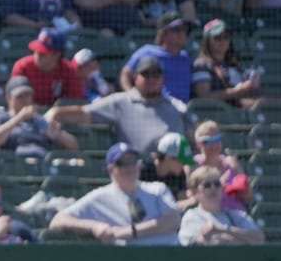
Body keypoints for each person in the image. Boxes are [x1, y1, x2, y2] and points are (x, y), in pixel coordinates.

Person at [46, 55, 189, 154]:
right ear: (135, 77)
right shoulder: (121, 102)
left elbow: (195, 134)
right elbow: (84, 114)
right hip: (139, 169)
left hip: (178, 168)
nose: (151, 79)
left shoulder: (177, 106)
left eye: (156, 74)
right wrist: (55, 114)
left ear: (163, 78)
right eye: (146, 74)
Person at [50, 142, 182, 245]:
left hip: (167, 259)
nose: (130, 167)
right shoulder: (100, 196)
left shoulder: (157, 189)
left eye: (133, 161)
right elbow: (57, 221)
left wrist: (129, 232)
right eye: (122, 163)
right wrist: (94, 226)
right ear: (110, 169)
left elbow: (173, 220)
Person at [0, 76, 78, 160]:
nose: (25, 100)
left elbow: (73, 145)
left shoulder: (39, 119)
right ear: (9, 98)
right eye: (20, 96)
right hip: (16, 162)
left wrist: (57, 135)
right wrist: (18, 118)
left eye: (28, 95)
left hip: (43, 160)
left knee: (77, 163)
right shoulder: (2, 117)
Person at [177, 165, 263, 245]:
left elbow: (259, 237)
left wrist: (223, 229)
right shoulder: (192, 216)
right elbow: (190, 243)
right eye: (207, 185)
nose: (213, 188)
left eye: (217, 184)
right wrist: (236, 240)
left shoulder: (235, 215)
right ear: (196, 191)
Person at [121, 15, 194, 102]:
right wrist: (131, 95)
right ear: (163, 33)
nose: (182, 34)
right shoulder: (148, 52)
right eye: (177, 30)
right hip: (155, 107)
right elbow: (126, 74)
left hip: (181, 110)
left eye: (185, 30)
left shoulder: (186, 58)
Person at [191, 18, 261, 109]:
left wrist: (252, 83)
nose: (223, 41)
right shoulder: (201, 64)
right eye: (218, 37)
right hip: (216, 114)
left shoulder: (235, 64)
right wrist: (235, 91)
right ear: (207, 41)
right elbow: (204, 96)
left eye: (226, 36)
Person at [11, 28, 84, 108]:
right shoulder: (23, 67)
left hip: (58, 117)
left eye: (43, 52)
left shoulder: (68, 70)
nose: (37, 54)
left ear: (57, 54)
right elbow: (16, 102)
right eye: (36, 49)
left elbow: (77, 101)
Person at [140, 131, 192, 199]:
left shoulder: (179, 175)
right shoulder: (141, 172)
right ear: (168, 157)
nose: (184, 165)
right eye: (182, 160)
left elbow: (182, 196)